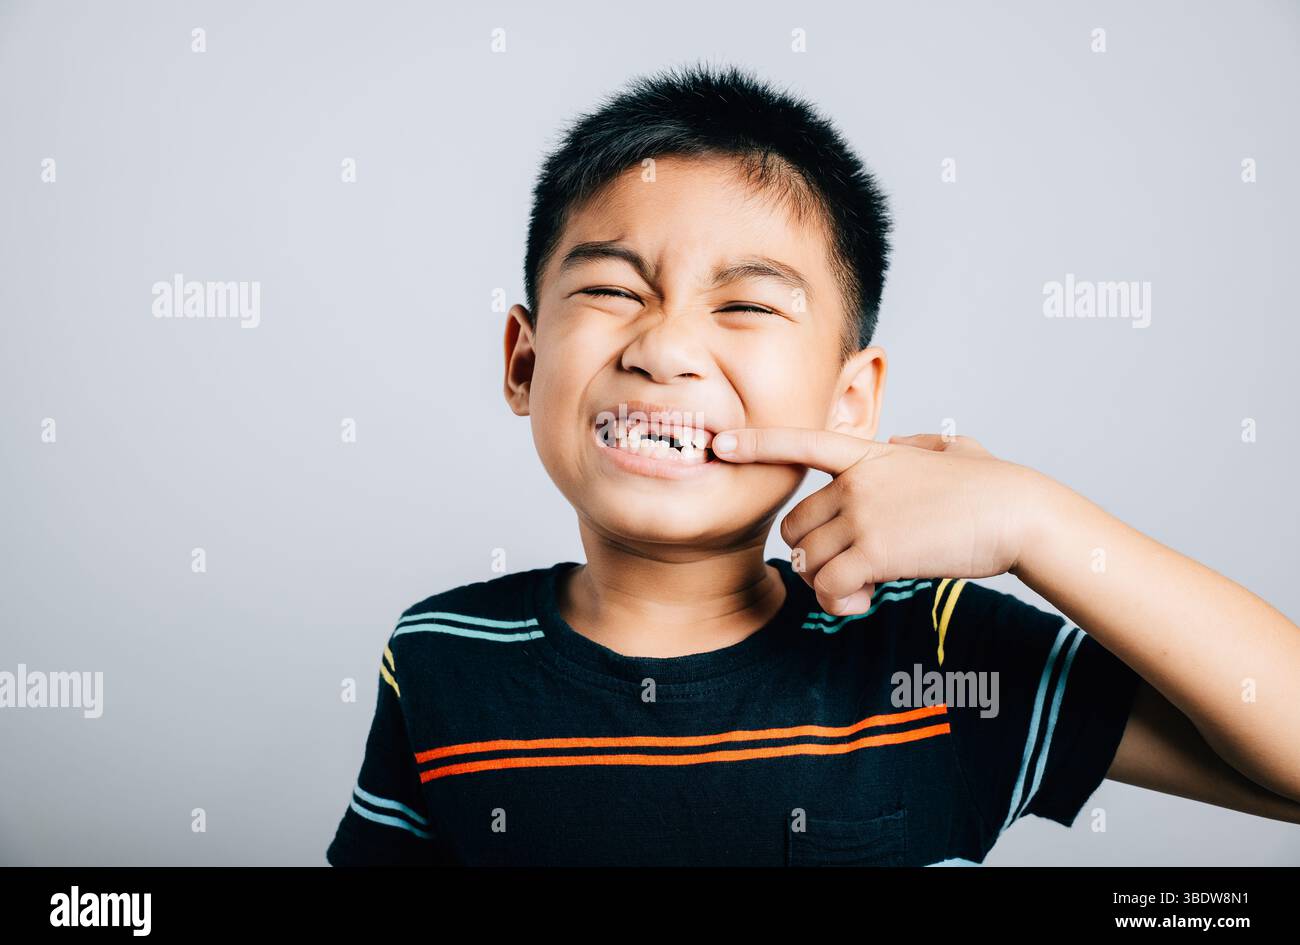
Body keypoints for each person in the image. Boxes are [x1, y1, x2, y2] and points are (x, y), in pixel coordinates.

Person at [327, 62, 1300, 866]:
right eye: (614, 290)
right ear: (523, 361)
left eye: (745, 305)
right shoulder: (440, 652)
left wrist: (1036, 524)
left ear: (850, 401)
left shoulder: (936, 657)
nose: (663, 348)